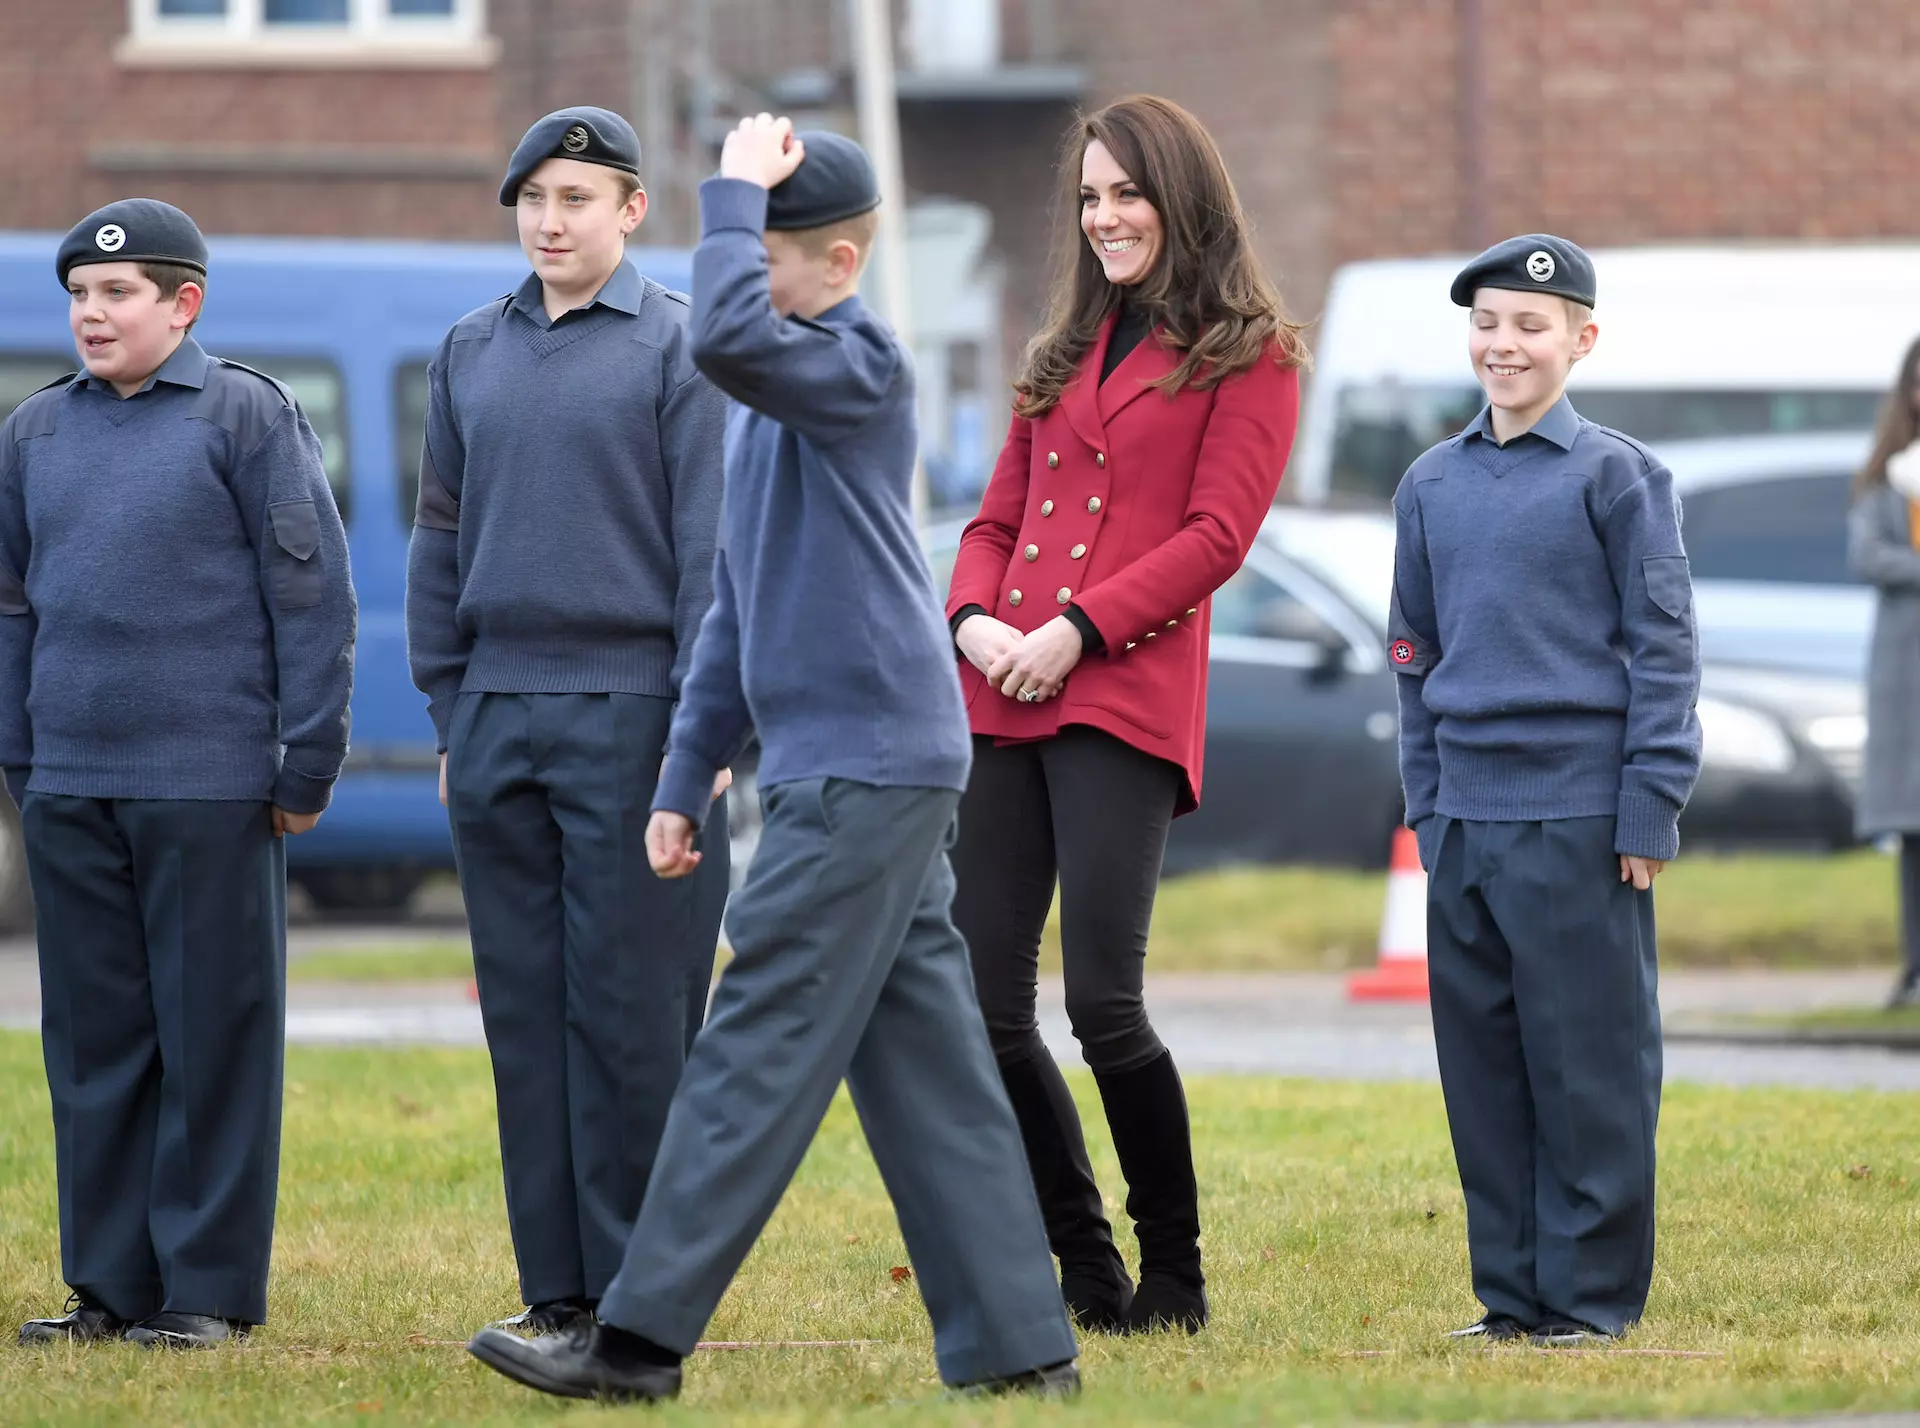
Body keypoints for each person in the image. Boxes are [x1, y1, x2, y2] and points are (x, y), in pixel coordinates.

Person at [463, 115, 1080, 1403]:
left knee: (747, 1042)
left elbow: (722, 327)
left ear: (839, 267)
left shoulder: (856, 361)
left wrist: (733, 189)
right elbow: (736, 603)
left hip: (867, 767)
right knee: (928, 1070)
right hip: (849, 760)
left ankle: (632, 1344)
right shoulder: (766, 404)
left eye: (766, 251)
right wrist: (686, 775)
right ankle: (1023, 1352)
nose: (741, 269)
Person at [943, 95, 1304, 1335]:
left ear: (1180, 198)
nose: (1103, 218)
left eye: (1126, 194)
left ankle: (1177, 1275)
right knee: (980, 1000)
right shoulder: (1057, 355)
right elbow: (992, 521)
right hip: (1004, 696)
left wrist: (1075, 631)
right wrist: (973, 620)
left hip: (1121, 696)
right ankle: (1084, 1269)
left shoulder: (1252, 351)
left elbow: (1219, 537)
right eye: (1089, 199)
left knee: (1102, 1003)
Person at [0, 199, 356, 1347]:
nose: (90, 315)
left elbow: (310, 600)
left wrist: (308, 760)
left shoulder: (246, 417)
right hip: (69, 784)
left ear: (181, 304)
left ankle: (203, 1294)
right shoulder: (32, 434)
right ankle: (110, 1289)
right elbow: (10, 609)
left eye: (116, 295)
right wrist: (21, 757)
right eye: (79, 296)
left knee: (211, 1041)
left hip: (210, 784)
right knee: (95, 1045)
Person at [404, 106, 731, 1336]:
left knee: (633, 1022)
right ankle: (556, 1295)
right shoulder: (467, 351)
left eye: (577, 199)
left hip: (637, 718)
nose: (551, 219)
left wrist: (695, 753)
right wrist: (450, 708)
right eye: (534, 198)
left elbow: (709, 562)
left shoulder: (680, 351)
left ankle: (639, 1305)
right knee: (529, 1022)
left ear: (632, 210)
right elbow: (441, 534)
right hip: (495, 716)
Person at [1389, 235, 1702, 1345]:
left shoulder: (1619, 476)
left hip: (1578, 816)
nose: (1504, 343)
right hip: (1465, 823)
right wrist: (1427, 806)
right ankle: (1512, 1297)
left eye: (1530, 324)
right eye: (1487, 323)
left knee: (1589, 1069)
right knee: (1484, 1072)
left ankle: (1590, 1299)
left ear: (1582, 338)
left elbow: (1664, 652)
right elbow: (1413, 653)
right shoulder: (1430, 481)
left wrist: (1647, 804)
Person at [1849, 334, 1920, 1010]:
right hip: (1909, 674)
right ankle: (1914, 967)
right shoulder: (1888, 479)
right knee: (1914, 828)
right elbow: (1871, 558)